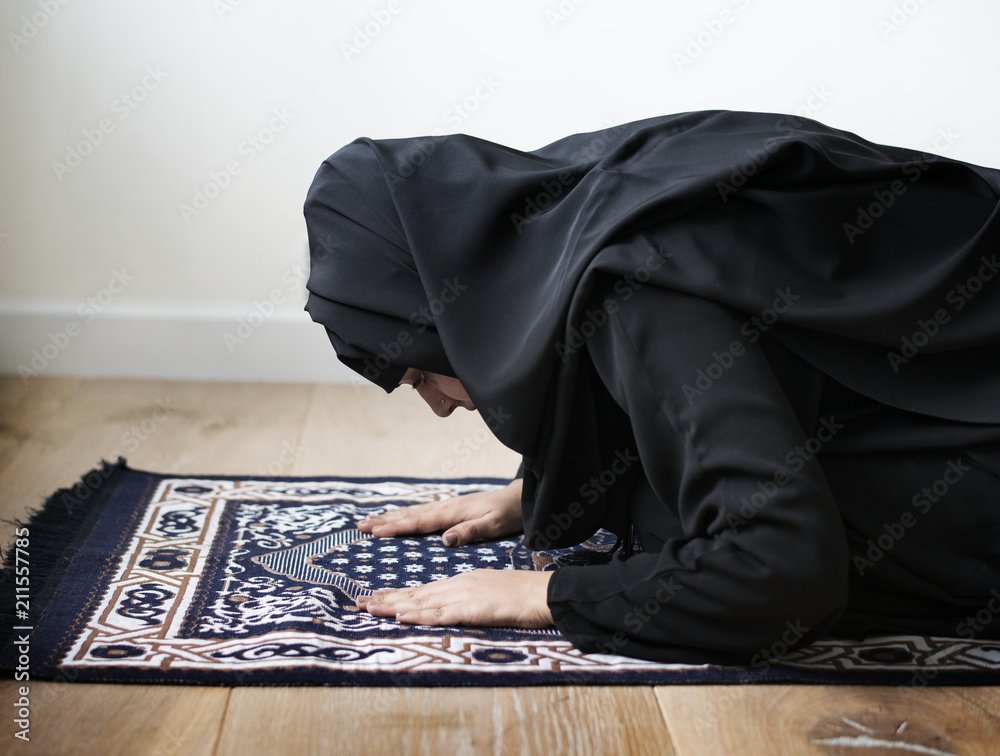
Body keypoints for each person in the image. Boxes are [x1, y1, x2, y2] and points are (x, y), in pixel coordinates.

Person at [303, 110, 1000, 664]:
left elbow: (781, 568)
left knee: (667, 528)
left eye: (424, 373)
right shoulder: (590, 204)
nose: (440, 407)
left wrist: (544, 593)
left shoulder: (635, 290)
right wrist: (554, 483)